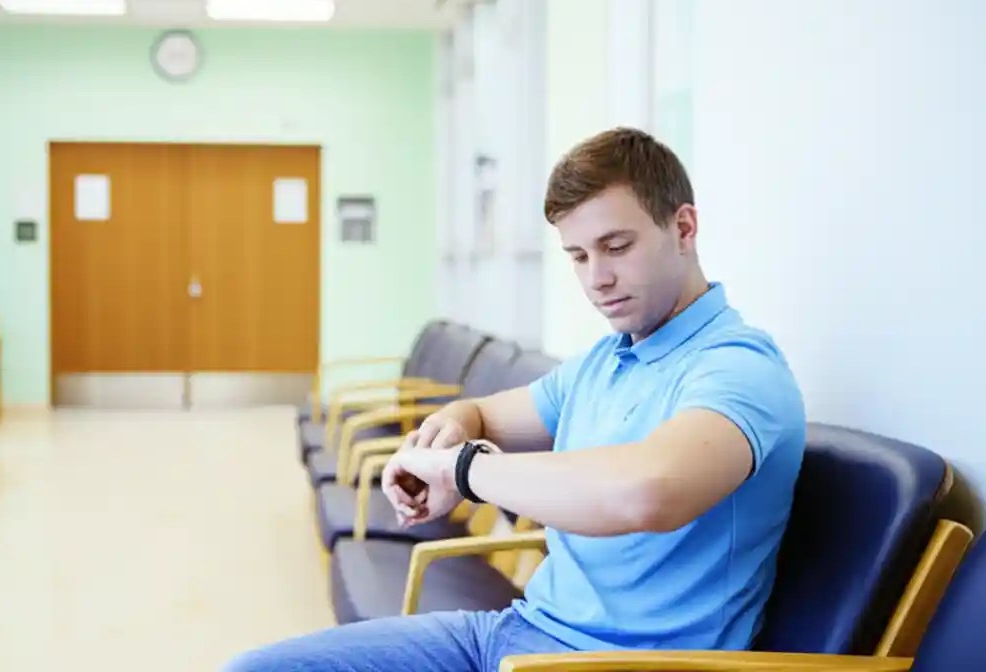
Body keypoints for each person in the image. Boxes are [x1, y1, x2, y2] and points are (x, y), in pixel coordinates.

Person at [225, 128, 806, 672]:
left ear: (683, 228)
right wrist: (445, 434)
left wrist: (466, 471)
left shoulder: (738, 367)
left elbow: (647, 493)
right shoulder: (605, 362)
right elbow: (480, 414)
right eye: (578, 256)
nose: (596, 278)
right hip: (513, 633)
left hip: (615, 662)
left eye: (616, 246)